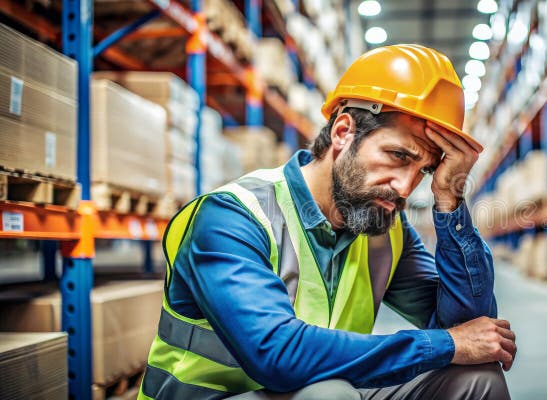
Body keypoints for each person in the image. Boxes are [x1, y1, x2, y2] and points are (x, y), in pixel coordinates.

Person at [138, 44, 516, 400]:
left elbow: (472, 326)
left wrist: (450, 198)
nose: (405, 187)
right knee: (328, 394)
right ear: (343, 132)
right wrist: (446, 344)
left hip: (319, 388)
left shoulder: (384, 231)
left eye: (424, 170)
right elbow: (278, 356)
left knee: (477, 378)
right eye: (398, 156)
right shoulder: (231, 217)